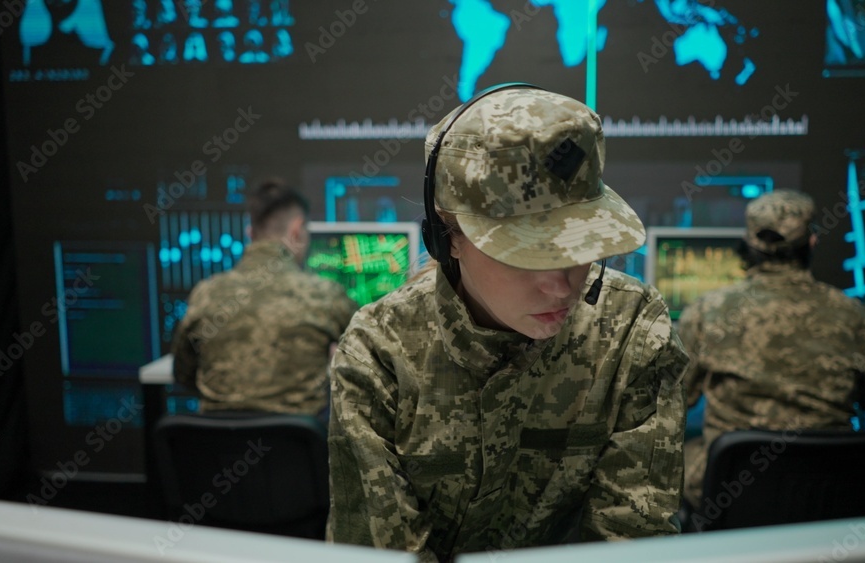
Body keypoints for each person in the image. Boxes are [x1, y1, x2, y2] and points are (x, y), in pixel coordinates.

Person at [326, 86, 689, 562]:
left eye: (580, 249)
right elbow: (381, 555)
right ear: (446, 236)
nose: (561, 286)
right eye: (527, 255)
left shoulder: (631, 331)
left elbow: (633, 544)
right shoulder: (381, 353)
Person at [677, 189, 865, 511]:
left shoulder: (708, 311)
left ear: (748, 243)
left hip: (731, 490)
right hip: (831, 491)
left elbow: (675, 399)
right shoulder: (857, 316)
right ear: (811, 242)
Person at [172, 179, 357, 421]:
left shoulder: (205, 293)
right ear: (297, 230)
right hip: (297, 451)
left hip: (217, 451)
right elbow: (365, 360)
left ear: (250, 234)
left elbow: (183, 374)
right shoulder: (324, 293)